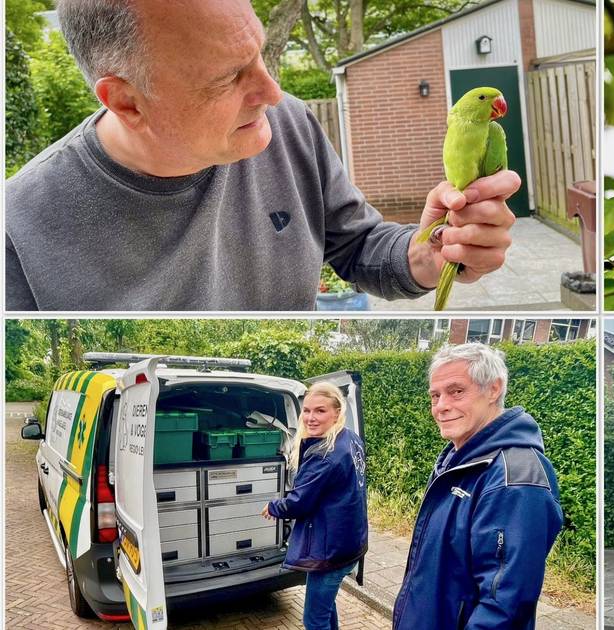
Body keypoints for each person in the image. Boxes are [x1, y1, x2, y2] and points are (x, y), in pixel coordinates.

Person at [6, 0, 518, 310]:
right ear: (126, 101)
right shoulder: (21, 227)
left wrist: (426, 252)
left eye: (259, 55)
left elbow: (357, 247)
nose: (272, 92)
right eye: (230, 76)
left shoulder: (288, 124)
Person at [392, 343, 564, 630]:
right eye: (435, 395)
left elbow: (504, 606)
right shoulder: (460, 459)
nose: (441, 406)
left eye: (456, 391)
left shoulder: (514, 477)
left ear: (493, 389)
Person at [262, 382, 368, 630]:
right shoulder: (350, 439)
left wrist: (274, 507)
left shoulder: (324, 454)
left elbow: (299, 502)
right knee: (325, 607)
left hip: (329, 551)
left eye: (320, 411)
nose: (310, 417)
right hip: (350, 542)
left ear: (337, 412)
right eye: (306, 410)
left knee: (314, 619)